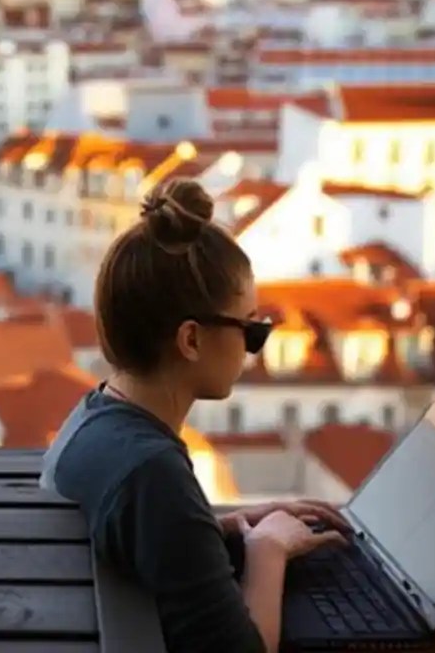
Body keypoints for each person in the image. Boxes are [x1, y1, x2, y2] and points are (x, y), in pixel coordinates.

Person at [40, 178, 349, 652]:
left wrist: (219, 527)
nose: (254, 350)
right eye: (251, 329)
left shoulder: (94, 419)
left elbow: (146, 540)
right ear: (191, 340)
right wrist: (268, 549)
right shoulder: (153, 471)